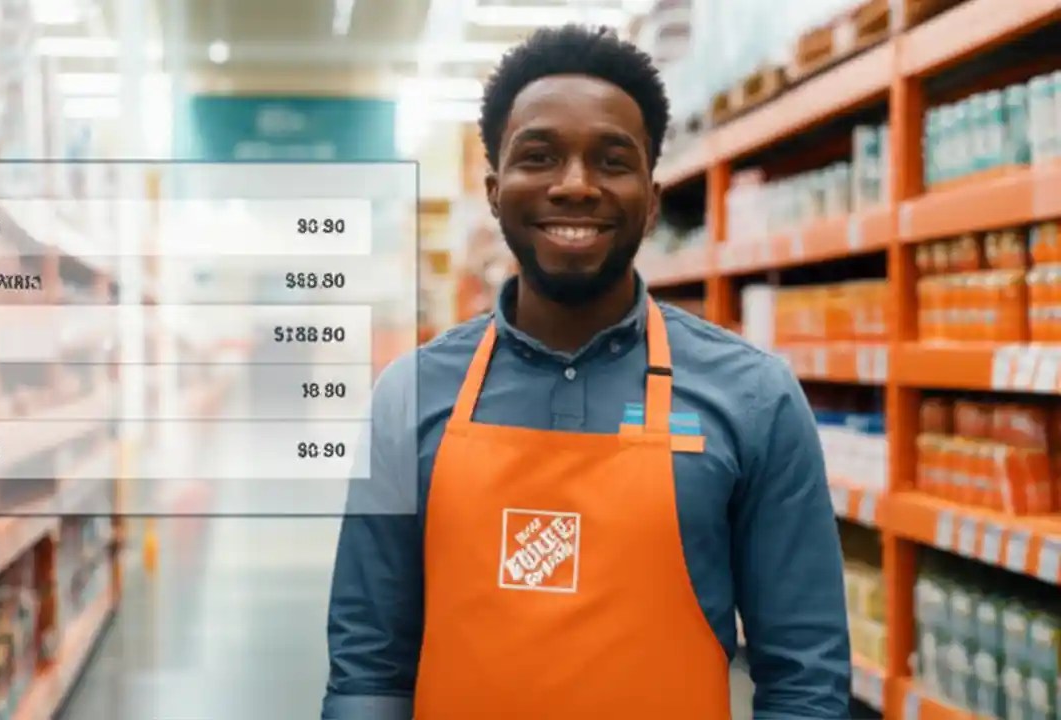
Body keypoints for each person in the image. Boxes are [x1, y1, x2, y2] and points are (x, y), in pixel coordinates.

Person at [322, 24, 850, 719]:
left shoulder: (753, 398)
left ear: (652, 197)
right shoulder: (411, 394)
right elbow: (369, 667)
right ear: (493, 189)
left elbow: (804, 679)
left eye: (611, 160)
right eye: (539, 156)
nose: (575, 186)